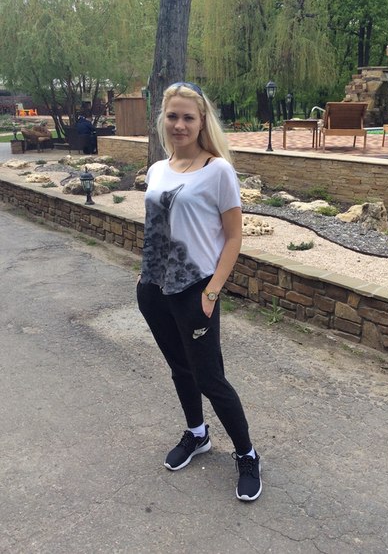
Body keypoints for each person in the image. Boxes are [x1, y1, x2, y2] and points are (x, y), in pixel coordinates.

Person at [137, 82, 262, 502]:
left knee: (210, 378)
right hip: (154, 289)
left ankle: (247, 454)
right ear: (163, 119)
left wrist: (211, 293)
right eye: (173, 116)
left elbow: (234, 237)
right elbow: (156, 229)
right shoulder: (158, 169)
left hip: (196, 291)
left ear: (202, 121)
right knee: (180, 368)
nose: (180, 124)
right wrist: (144, 278)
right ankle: (197, 433)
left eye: (188, 117)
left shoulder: (218, 170)